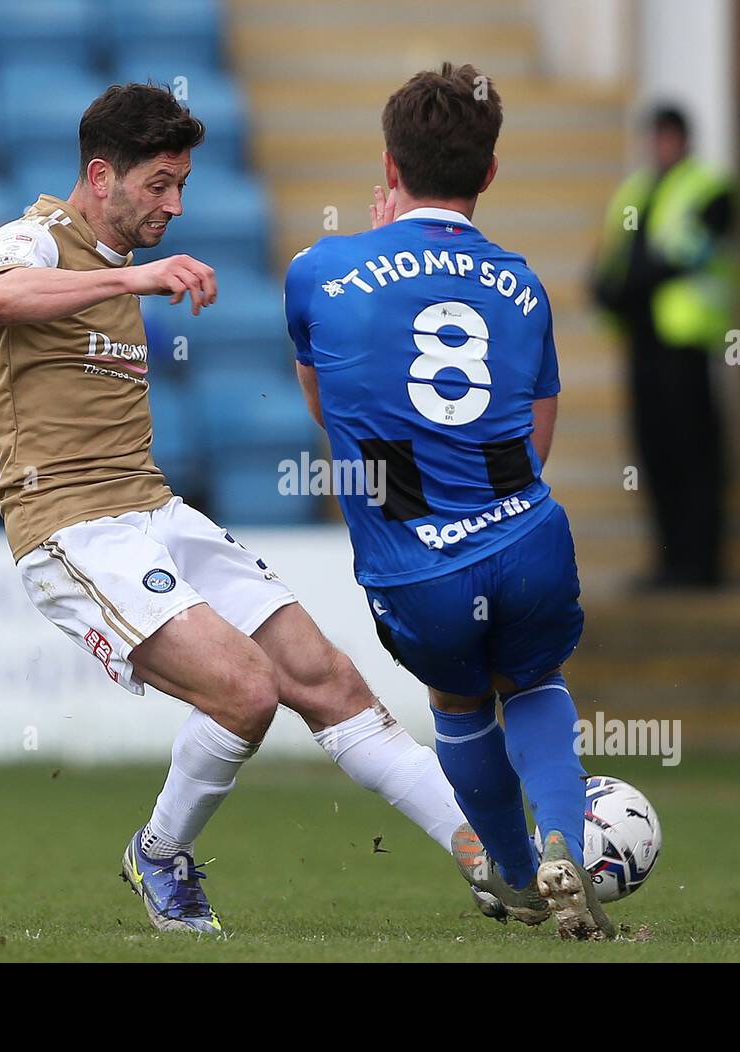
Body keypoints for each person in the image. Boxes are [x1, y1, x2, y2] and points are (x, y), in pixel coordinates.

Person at [0, 82, 489, 935]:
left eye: (183, 185)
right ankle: (161, 854)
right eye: (159, 185)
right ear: (101, 177)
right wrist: (133, 276)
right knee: (246, 694)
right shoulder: (33, 237)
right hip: (70, 525)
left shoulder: (117, 262)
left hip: (153, 507)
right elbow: (0, 297)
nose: (174, 204)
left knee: (329, 680)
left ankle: (486, 857)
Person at [284, 63, 613, 939]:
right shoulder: (524, 284)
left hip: (414, 559)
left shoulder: (318, 271)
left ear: (388, 167)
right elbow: (536, 439)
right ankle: (562, 841)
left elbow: (328, 411)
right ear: (491, 173)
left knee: (462, 704)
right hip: (529, 538)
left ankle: (512, 874)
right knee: (534, 680)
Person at [591, 105, 735, 589]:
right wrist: (610, 286)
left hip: (684, 344)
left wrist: (629, 283)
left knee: (694, 454)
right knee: (654, 454)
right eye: (656, 137)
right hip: (642, 341)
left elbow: (688, 254)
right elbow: (612, 257)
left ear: (685, 140)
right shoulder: (636, 191)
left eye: (669, 137)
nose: (662, 146)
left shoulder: (710, 189)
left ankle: (701, 565)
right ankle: (670, 561)